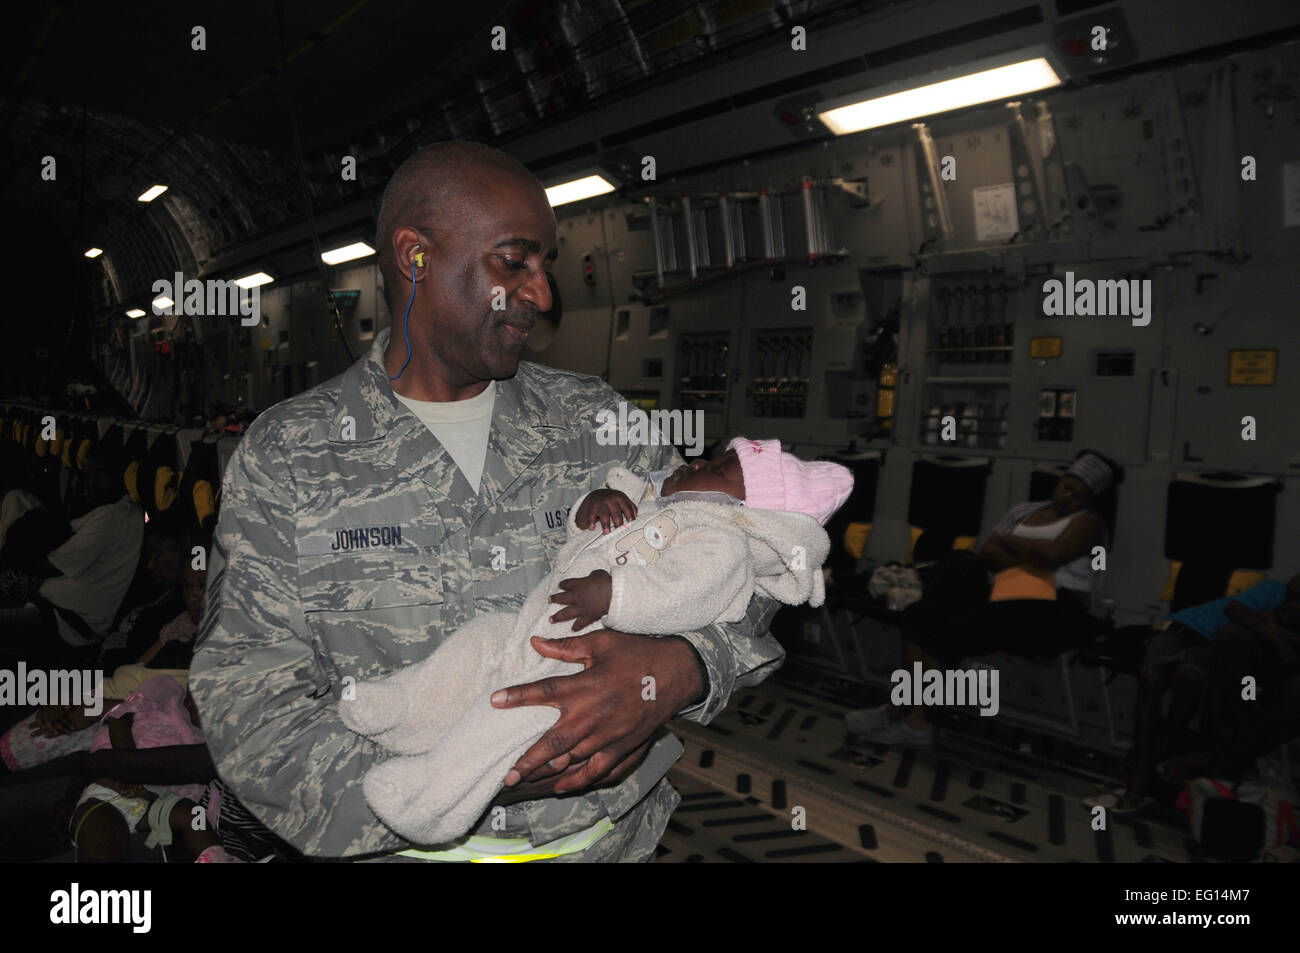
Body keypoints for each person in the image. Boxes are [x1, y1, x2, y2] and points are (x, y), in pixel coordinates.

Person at [189, 140, 785, 862]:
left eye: (546, 265)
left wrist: (681, 669)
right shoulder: (288, 457)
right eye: (515, 261)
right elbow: (246, 705)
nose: (541, 294)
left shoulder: (600, 423)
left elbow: (751, 558)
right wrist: (462, 783)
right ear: (415, 256)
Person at [340, 439, 851, 843]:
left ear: (744, 509)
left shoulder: (721, 539)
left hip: (578, 666)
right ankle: (409, 708)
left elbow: (692, 591)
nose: (695, 462)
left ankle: (436, 793)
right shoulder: (658, 502)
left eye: (716, 469)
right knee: (480, 642)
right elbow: (591, 535)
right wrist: (592, 504)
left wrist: (617, 595)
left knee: (512, 716)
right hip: (532, 631)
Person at [847, 450, 1120, 746]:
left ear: (1089, 501)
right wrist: (1031, 559)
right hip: (1004, 590)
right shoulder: (1025, 511)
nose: (1068, 497)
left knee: (955, 630)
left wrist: (1012, 543)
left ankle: (916, 723)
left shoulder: (1088, 523)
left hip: (1054, 605)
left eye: (1078, 496)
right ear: (1060, 481)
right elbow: (989, 552)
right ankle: (897, 707)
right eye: (1067, 487)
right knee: (919, 615)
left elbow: (1053, 556)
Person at [1116, 574, 1295, 812]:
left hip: (1206, 646)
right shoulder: (1275, 591)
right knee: (1153, 679)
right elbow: (1234, 608)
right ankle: (1141, 774)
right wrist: (1276, 636)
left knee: (1190, 681)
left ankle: (1165, 758)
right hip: (1178, 629)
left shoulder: (1274, 630)